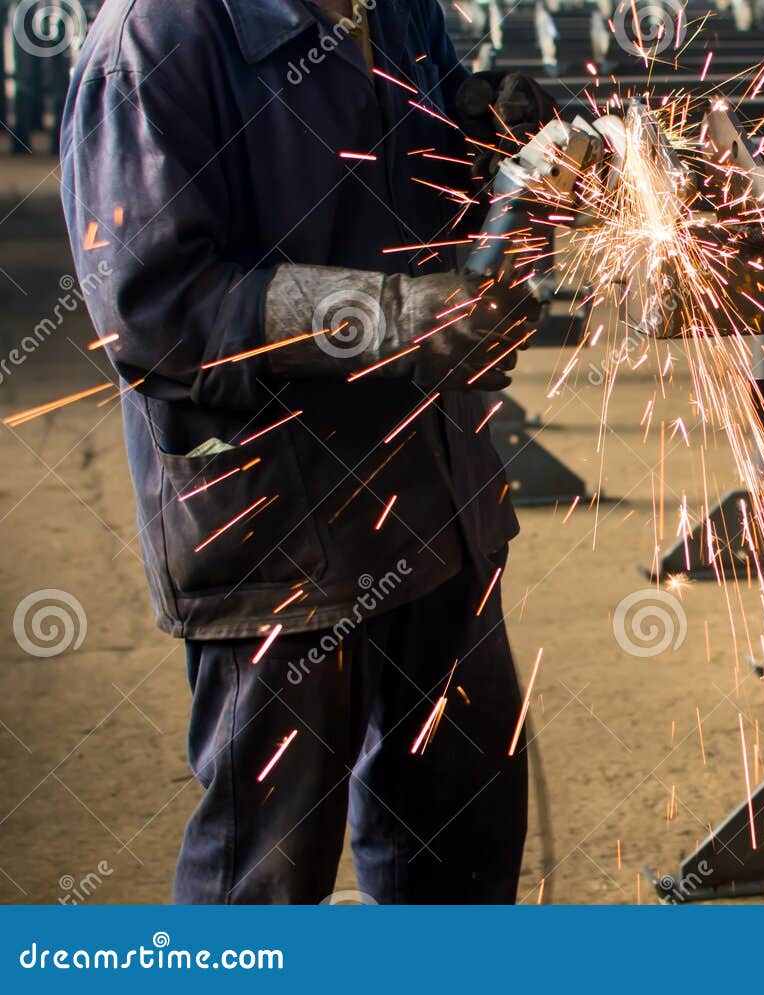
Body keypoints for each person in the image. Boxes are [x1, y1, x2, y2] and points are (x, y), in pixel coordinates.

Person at [58, 0, 555, 904]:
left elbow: (428, 195)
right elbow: (157, 304)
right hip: (281, 528)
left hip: (435, 497)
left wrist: (496, 144)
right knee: (269, 876)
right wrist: (403, 321)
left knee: (465, 843)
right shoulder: (156, 40)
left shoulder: (399, 10)